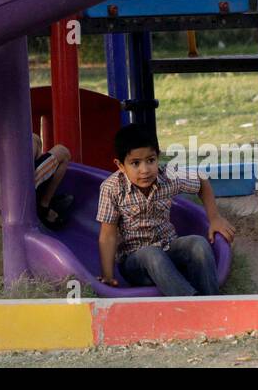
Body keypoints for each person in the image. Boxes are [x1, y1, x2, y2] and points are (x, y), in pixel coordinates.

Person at [97, 123, 235, 295]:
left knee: (198, 244)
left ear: (158, 156)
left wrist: (214, 218)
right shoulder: (112, 188)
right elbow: (107, 235)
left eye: (150, 160)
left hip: (168, 249)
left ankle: (212, 301)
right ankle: (191, 306)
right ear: (120, 165)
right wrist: (108, 275)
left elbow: (201, 181)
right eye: (135, 163)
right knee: (152, 254)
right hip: (136, 262)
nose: (145, 170)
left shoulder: (168, 176)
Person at [33, 131, 73, 230]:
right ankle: (44, 206)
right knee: (63, 152)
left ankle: (40, 195)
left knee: (35, 139)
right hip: (20, 182)